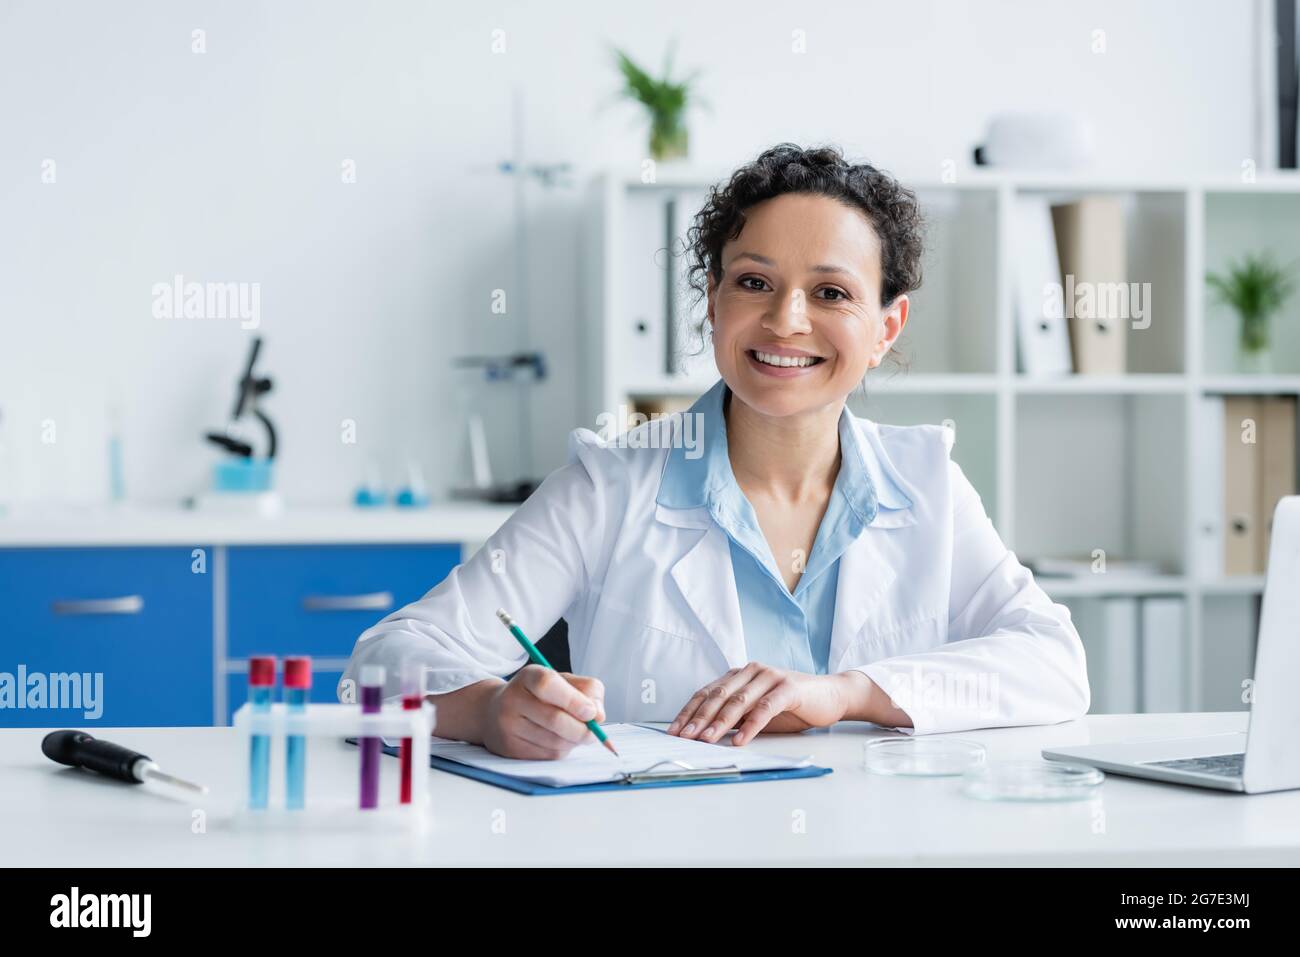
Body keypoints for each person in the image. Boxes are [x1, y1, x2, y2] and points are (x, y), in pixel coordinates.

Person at [340, 143, 1089, 759]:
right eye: (754, 281)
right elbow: (382, 659)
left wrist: (847, 693)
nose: (786, 319)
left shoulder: (927, 484)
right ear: (713, 300)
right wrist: (489, 707)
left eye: (830, 292)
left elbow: (1055, 663)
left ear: (886, 327)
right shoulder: (611, 486)